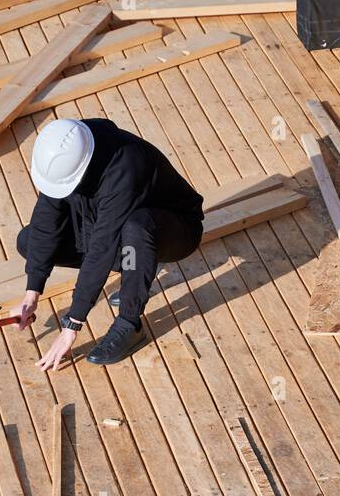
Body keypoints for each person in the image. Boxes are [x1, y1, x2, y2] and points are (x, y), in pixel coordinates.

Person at [14, 117, 204, 370]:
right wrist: (32, 292)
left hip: (175, 229)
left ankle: (129, 323)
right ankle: (137, 266)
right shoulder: (66, 152)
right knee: (28, 241)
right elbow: (45, 223)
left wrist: (73, 324)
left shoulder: (125, 169)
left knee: (135, 230)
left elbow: (102, 249)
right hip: (109, 222)